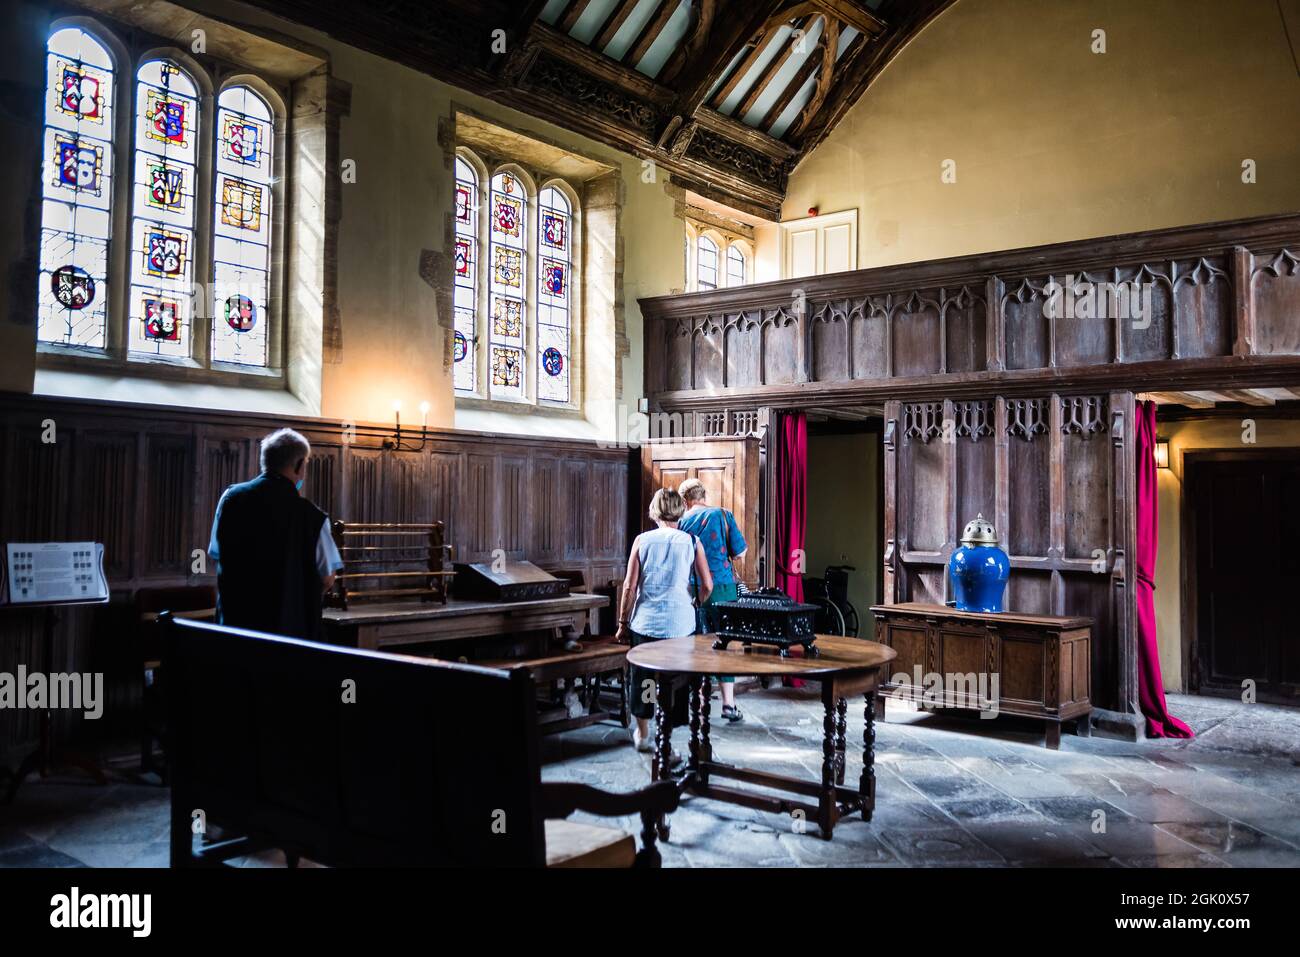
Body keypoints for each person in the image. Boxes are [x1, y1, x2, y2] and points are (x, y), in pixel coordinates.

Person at [208, 428, 344, 641]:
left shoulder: (230, 499)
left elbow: (216, 553)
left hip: (234, 631)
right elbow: (327, 578)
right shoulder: (311, 517)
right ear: (300, 465)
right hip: (285, 636)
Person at [616, 488, 713, 758]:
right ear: (680, 510)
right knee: (676, 680)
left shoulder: (642, 541)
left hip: (645, 622)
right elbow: (707, 584)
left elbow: (629, 587)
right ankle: (666, 733)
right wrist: (694, 604)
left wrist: (623, 622)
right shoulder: (692, 542)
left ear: (654, 510)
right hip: (680, 625)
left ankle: (644, 733)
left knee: (643, 678)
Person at [677, 478, 748, 722]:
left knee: (696, 644)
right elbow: (740, 552)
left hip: (692, 588)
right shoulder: (723, 515)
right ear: (703, 495)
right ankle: (728, 704)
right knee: (724, 643)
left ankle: (699, 702)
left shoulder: (682, 522)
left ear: (685, 501)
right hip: (722, 587)